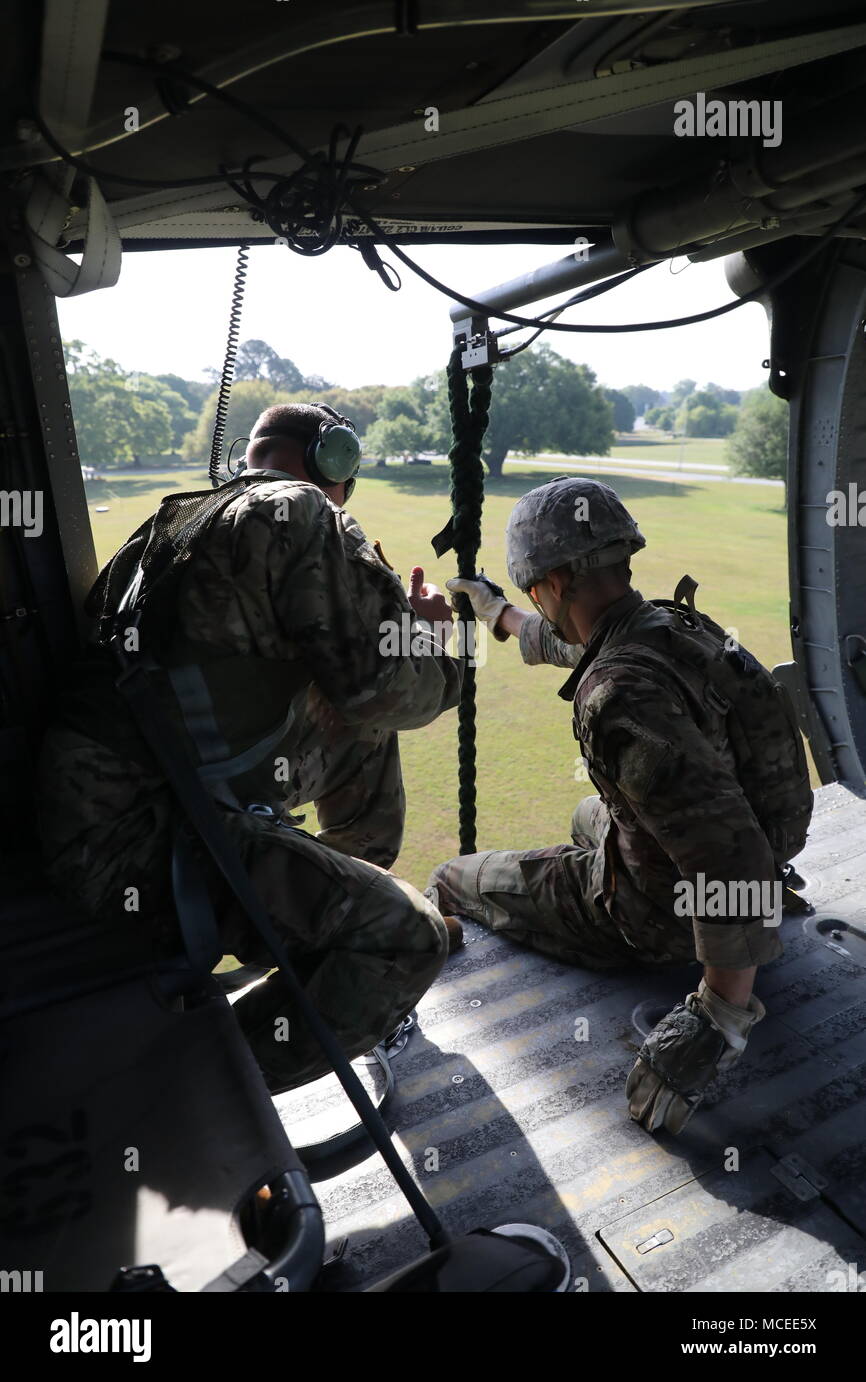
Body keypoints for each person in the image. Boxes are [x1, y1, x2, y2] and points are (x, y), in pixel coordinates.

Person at [37, 402, 464, 1093]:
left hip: (116, 810)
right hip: (140, 840)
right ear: (336, 461)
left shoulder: (175, 522)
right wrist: (434, 642)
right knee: (410, 938)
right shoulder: (300, 509)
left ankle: (327, 922)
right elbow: (382, 687)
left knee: (364, 735)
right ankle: (190, 1096)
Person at [428, 475, 811, 1134]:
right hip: (762, 857)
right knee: (587, 815)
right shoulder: (675, 626)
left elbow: (730, 855)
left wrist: (718, 1015)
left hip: (663, 913)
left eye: (530, 592)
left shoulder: (618, 698)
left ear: (550, 583)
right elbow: (566, 639)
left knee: (450, 878)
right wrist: (496, 613)